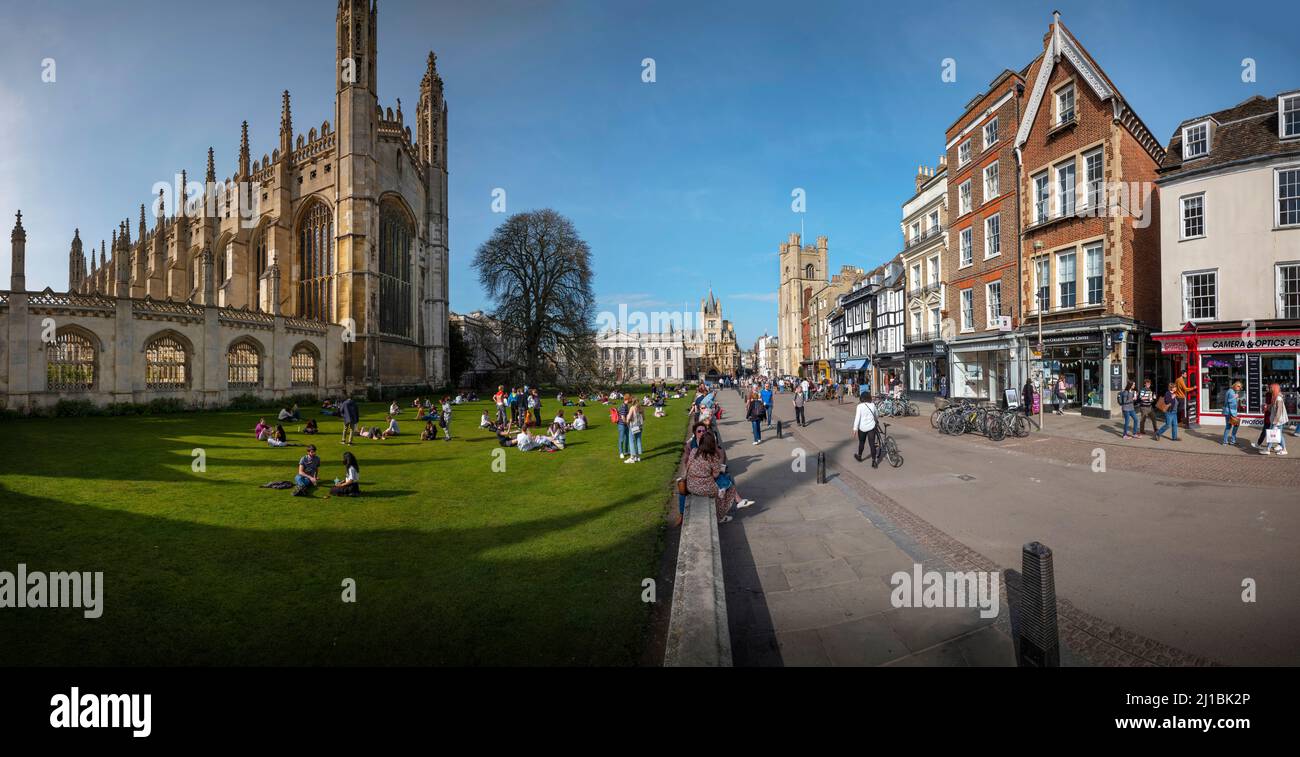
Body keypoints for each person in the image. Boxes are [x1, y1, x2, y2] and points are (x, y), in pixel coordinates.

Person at [684, 432, 752, 524]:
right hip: (704, 488)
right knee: (727, 487)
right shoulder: (712, 457)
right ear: (712, 444)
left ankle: (738, 501)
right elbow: (716, 475)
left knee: (723, 482)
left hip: (691, 485)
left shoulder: (694, 451)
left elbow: (689, 465)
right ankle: (721, 516)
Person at [1253, 383, 1289, 455]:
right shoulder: (1274, 397)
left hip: (1277, 421)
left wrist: (1275, 422)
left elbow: (1278, 412)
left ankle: (1280, 449)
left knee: (1274, 434)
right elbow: (1272, 408)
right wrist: (1267, 407)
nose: (1269, 389)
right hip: (1276, 420)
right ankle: (1269, 449)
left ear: (1274, 389)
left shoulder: (1278, 399)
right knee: (1274, 434)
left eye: (1271, 388)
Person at [851, 391, 881, 468]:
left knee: (861, 442)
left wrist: (855, 429)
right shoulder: (872, 405)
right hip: (871, 427)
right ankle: (874, 461)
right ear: (869, 397)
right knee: (872, 444)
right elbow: (877, 415)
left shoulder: (859, 406)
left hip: (862, 427)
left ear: (861, 398)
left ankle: (859, 456)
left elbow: (857, 418)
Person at [1222, 380, 1242, 446]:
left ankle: (1229, 441)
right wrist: (1235, 397)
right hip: (1230, 412)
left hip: (1228, 411)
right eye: (1238, 386)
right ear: (1235, 385)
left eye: (1240, 387)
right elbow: (1230, 402)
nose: (1239, 388)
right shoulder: (1231, 392)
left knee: (1230, 426)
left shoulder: (1231, 391)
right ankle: (1228, 441)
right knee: (1231, 426)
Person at [625, 398, 644, 463]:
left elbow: (629, 417)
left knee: (631, 441)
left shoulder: (632, 408)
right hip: (640, 426)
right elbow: (644, 418)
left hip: (634, 426)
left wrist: (627, 422)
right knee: (638, 440)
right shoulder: (641, 408)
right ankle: (638, 457)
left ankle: (632, 457)